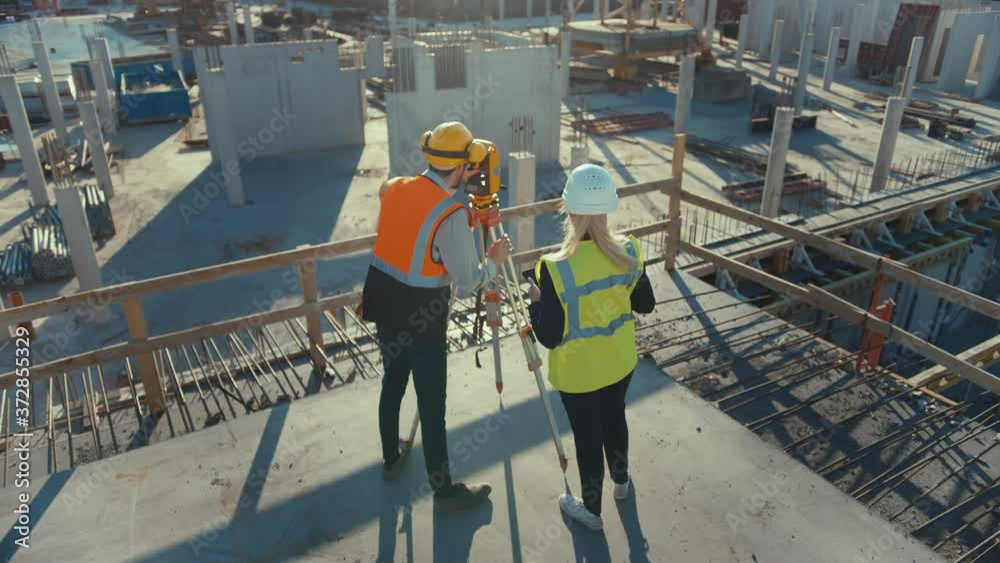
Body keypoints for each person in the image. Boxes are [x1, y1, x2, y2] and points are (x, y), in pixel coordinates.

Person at [361, 122, 512, 511]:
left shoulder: (393, 186)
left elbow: (413, 230)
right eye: (470, 165)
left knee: (393, 382)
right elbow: (470, 280)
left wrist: (464, 229)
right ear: (463, 167)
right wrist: (493, 261)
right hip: (422, 315)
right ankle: (444, 493)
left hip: (383, 301)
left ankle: (391, 461)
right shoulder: (451, 212)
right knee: (432, 405)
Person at [526, 164, 655, 531]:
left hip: (578, 373)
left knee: (587, 437)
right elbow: (645, 304)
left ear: (568, 210)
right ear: (607, 208)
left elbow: (549, 336)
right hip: (619, 362)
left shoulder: (553, 268)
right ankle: (622, 483)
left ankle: (592, 512)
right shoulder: (629, 250)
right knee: (615, 419)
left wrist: (536, 302)